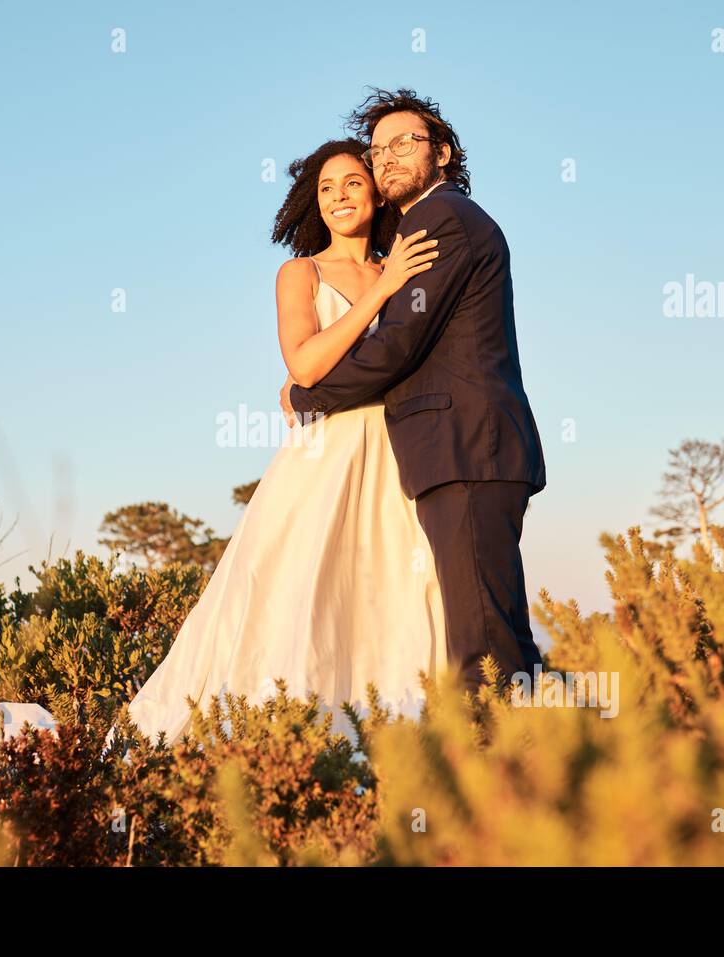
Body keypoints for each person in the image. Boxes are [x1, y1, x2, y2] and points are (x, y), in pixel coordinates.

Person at [115, 137, 448, 750]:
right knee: (304, 595)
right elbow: (305, 364)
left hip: (399, 449)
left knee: (391, 592)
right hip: (325, 457)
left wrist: (394, 277)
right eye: (325, 188)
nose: (339, 197)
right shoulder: (302, 273)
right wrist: (380, 290)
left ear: (376, 191)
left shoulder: (404, 263)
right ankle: (289, 746)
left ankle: (392, 744)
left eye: (352, 182)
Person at [283, 88, 547, 691]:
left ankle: (510, 767)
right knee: (485, 633)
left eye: (407, 142)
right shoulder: (425, 227)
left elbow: (398, 344)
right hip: (450, 453)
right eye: (379, 150)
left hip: (466, 449)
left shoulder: (441, 218)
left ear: (444, 153)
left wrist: (305, 399)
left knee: (485, 646)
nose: (390, 157)